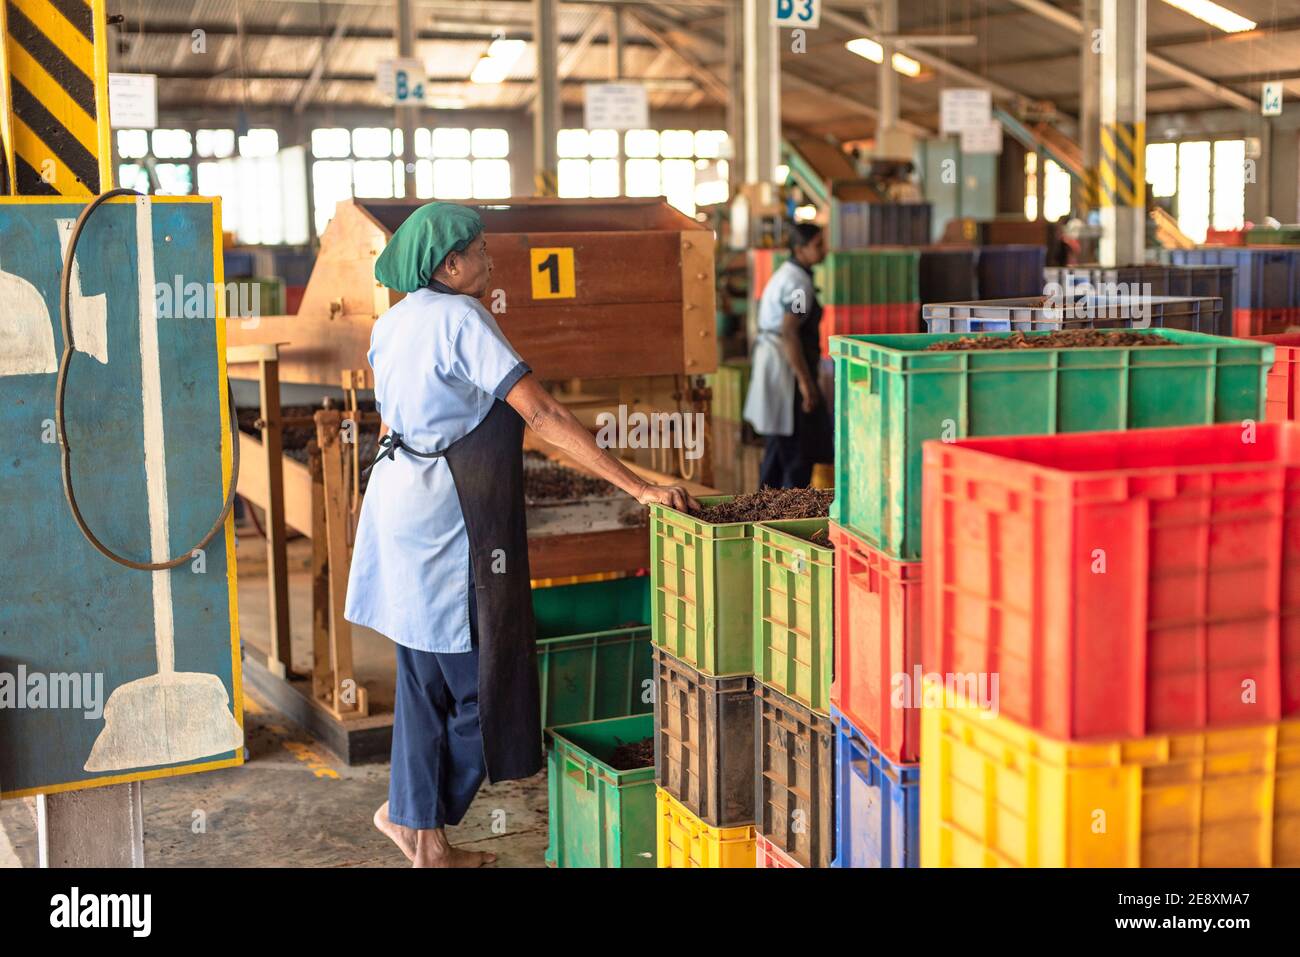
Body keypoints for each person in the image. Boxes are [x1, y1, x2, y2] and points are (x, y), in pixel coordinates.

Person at [343, 202, 697, 868]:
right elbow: (542, 412)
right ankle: (416, 817)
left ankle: (426, 842)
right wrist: (637, 486)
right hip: (448, 517)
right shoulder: (461, 318)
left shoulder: (393, 322)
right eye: (479, 250)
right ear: (451, 265)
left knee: (422, 683)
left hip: (396, 503)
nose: (490, 258)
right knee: (487, 684)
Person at [743, 222, 833, 488]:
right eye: (818, 245)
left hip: (778, 361)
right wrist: (806, 384)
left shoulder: (790, 275)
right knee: (795, 447)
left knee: (778, 444)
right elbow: (790, 332)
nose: (824, 249)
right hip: (785, 367)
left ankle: (765, 503)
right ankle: (787, 512)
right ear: (800, 249)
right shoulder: (796, 285)